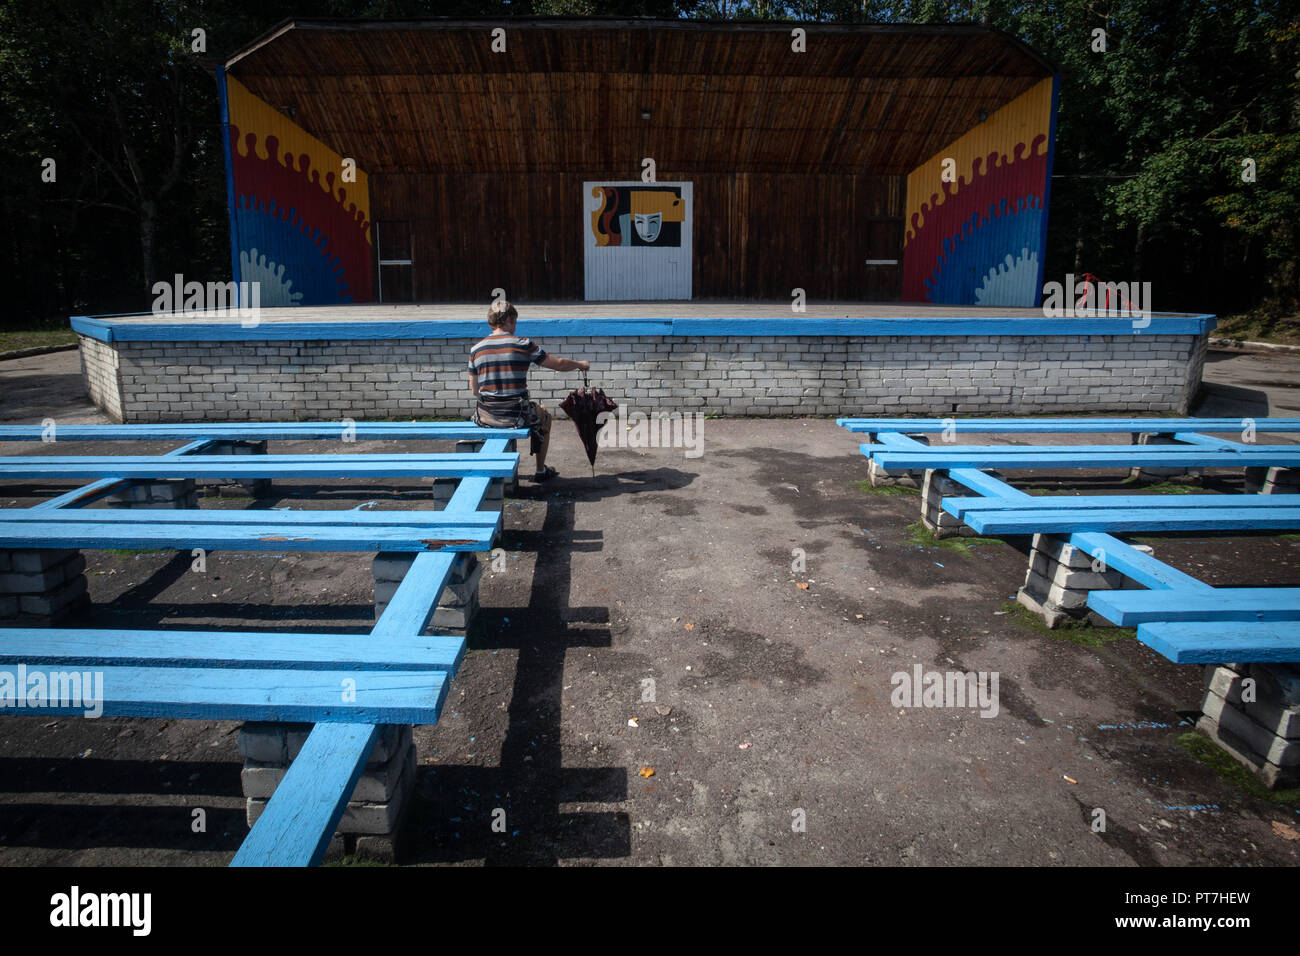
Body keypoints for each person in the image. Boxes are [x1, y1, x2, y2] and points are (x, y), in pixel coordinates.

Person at [468, 300, 589, 481]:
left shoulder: (476, 350)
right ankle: (540, 470)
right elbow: (558, 364)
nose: (516, 326)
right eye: (515, 321)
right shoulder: (523, 345)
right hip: (517, 415)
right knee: (545, 417)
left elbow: (474, 390)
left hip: (486, 417)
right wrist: (580, 365)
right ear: (508, 320)